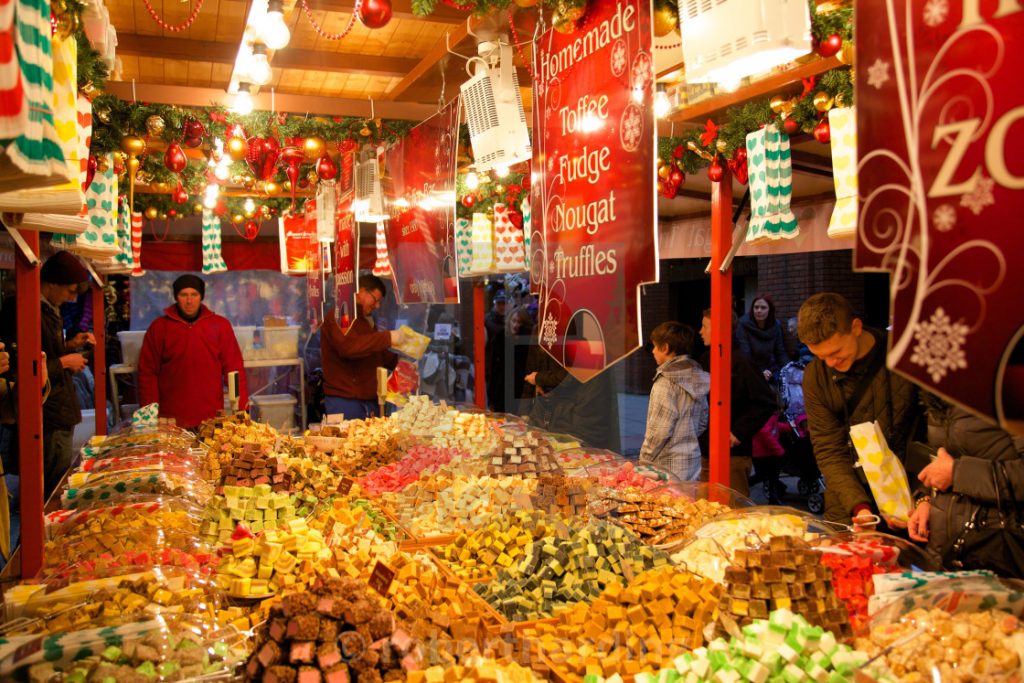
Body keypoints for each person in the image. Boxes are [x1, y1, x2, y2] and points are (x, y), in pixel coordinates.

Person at [798, 292, 921, 528]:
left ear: (856, 327)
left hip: (910, 495)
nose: (830, 363)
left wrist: (923, 495)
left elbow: (929, 431)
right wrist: (859, 506)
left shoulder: (905, 355)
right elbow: (828, 449)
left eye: (836, 352)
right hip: (847, 503)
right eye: (820, 356)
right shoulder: (815, 376)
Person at [0, 251, 94, 500]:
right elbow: (22, 366)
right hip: (47, 414)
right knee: (50, 490)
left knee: (56, 481)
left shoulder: (46, 309)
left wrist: (71, 346)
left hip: (58, 411)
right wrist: (64, 361)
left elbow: (44, 353)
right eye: (70, 290)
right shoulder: (23, 308)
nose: (72, 298)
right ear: (51, 283)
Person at [908, 394, 1024, 577]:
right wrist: (925, 499)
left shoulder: (1009, 386)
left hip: (997, 549)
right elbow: (941, 457)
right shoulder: (937, 393)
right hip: (943, 550)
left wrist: (957, 473)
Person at [138, 274, 249, 429]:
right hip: (171, 421)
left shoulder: (220, 326)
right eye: (184, 295)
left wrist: (242, 411)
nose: (189, 301)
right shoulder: (159, 328)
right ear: (176, 297)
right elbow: (147, 373)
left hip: (211, 419)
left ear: (201, 297)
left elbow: (234, 369)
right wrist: (149, 415)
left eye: (194, 295)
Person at [698, 309, 777, 497]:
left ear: (718, 330)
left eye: (705, 326)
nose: (700, 331)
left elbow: (765, 401)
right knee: (705, 509)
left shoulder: (742, 361)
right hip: (707, 450)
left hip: (733, 454)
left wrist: (739, 432)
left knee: (734, 511)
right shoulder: (705, 359)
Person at [320, 274, 400, 420]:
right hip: (344, 401)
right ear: (360, 291)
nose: (377, 306)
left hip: (369, 400)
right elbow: (349, 347)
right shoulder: (338, 316)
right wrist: (388, 337)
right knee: (347, 442)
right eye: (375, 300)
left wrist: (402, 362)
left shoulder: (366, 320)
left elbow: (376, 352)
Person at [638, 321, 710, 481]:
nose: (653, 351)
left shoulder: (665, 381)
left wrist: (643, 461)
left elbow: (659, 431)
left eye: (656, 346)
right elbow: (703, 420)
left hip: (665, 468)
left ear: (666, 348)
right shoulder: (696, 375)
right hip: (692, 462)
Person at [522, 347, 620, 452]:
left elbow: (567, 380)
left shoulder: (584, 358)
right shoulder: (569, 359)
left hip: (576, 436)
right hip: (564, 431)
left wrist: (542, 379)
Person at [736, 295, 789, 383]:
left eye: (763, 308)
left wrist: (790, 368)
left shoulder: (775, 327)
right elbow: (745, 354)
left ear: (770, 310)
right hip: (747, 369)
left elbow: (780, 352)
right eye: (756, 307)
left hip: (769, 368)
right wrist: (759, 371)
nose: (759, 310)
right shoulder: (743, 325)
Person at [484, 291, 508, 413]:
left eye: (504, 303)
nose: (502, 306)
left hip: (506, 362)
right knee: (492, 390)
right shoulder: (487, 320)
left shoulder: (510, 319)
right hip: (491, 362)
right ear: (495, 304)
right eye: (500, 303)